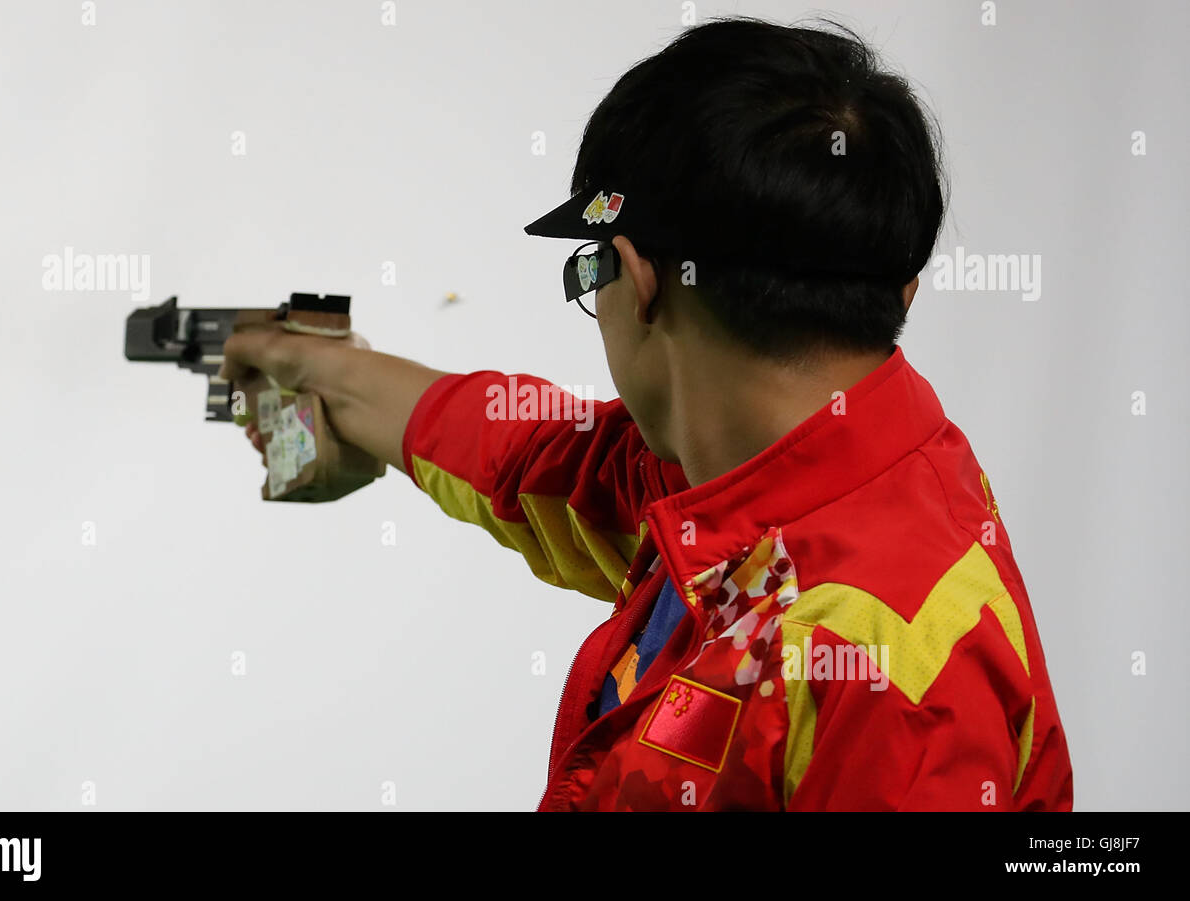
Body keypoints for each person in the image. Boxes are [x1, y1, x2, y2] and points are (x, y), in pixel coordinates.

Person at [219, 16, 1072, 811]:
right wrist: (323, 369)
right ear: (900, 285)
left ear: (639, 275)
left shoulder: (876, 660)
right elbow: (530, 458)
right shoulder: (760, 474)